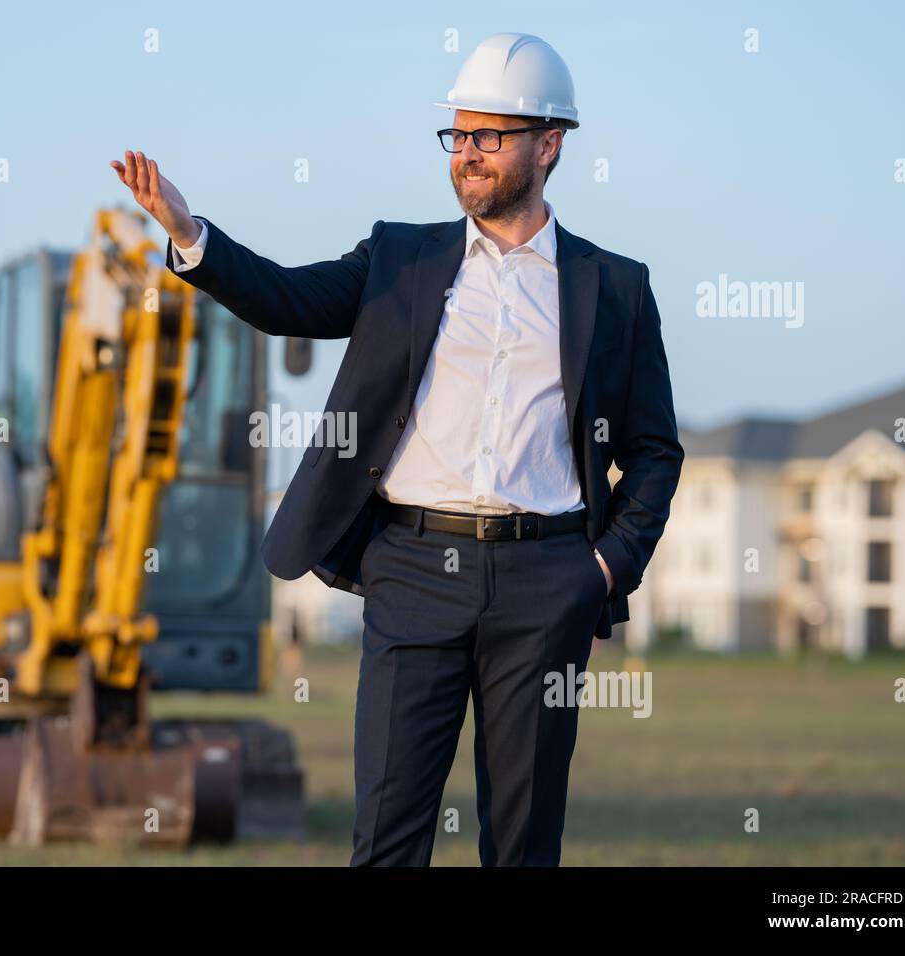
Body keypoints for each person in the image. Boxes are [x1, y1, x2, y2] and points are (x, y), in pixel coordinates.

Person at [111, 32, 683, 866]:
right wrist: (189, 232)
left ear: (549, 144)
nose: (468, 155)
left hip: (547, 582)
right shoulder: (400, 258)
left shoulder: (616, 287)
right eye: (459, 135)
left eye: (490, 136)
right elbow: (286, 299)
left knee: (524, 848)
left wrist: (602, 571)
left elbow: (655, 449)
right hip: (412, 572)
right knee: (385, 842)